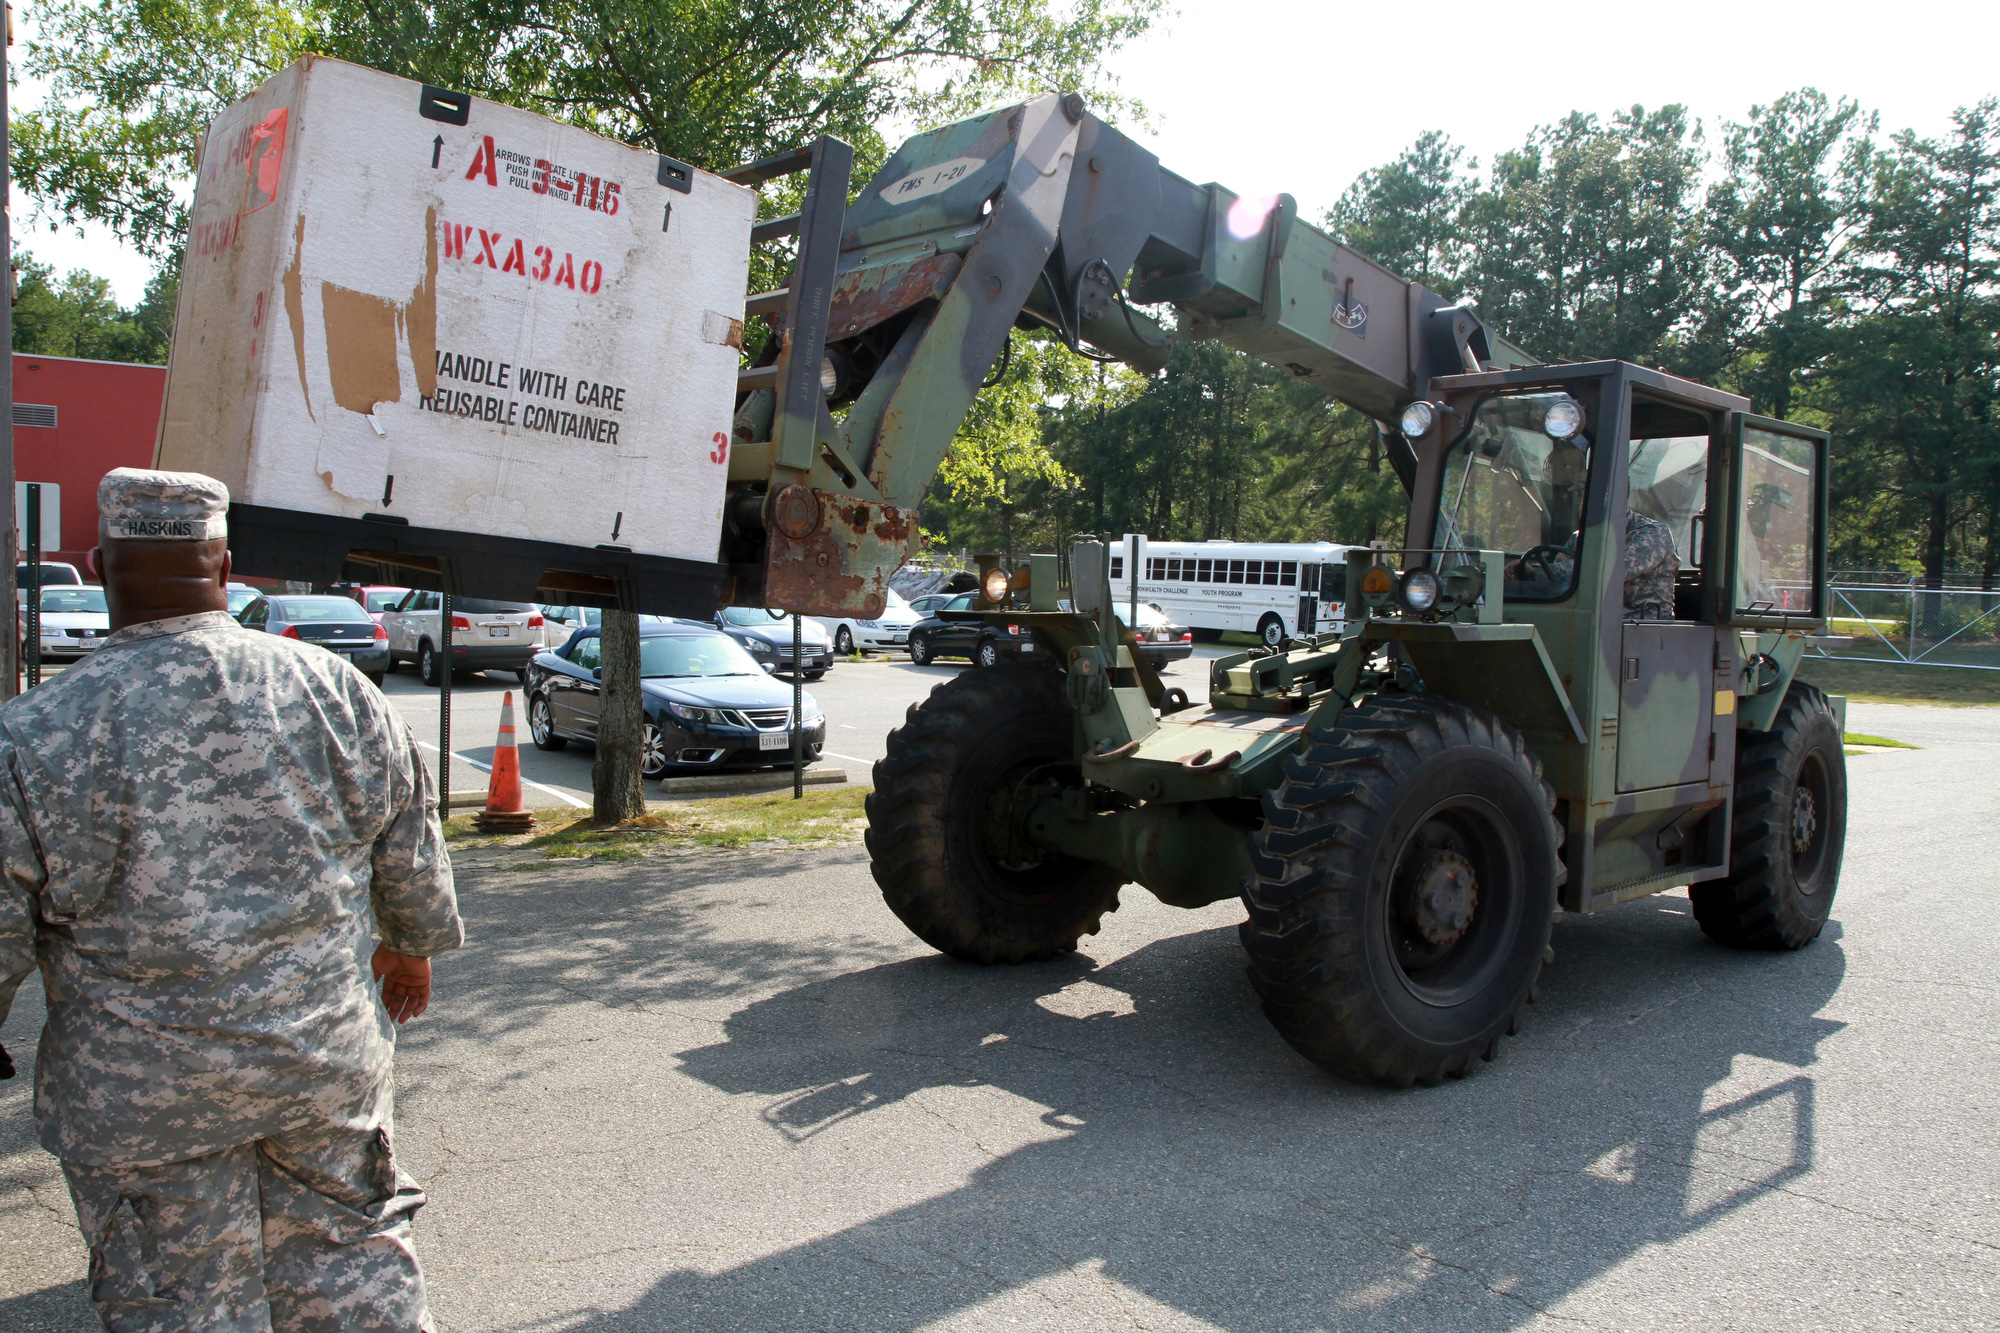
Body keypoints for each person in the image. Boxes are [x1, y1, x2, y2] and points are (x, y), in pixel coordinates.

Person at [0, 468, 462, 1332]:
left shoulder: (34, 731)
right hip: (317, 1069)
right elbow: (408, 829)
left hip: (144, 1103)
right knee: (355, 1280)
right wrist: (410, 941)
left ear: (101, 565)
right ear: (225, 565)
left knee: (184, 1305)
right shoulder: (333, 689)